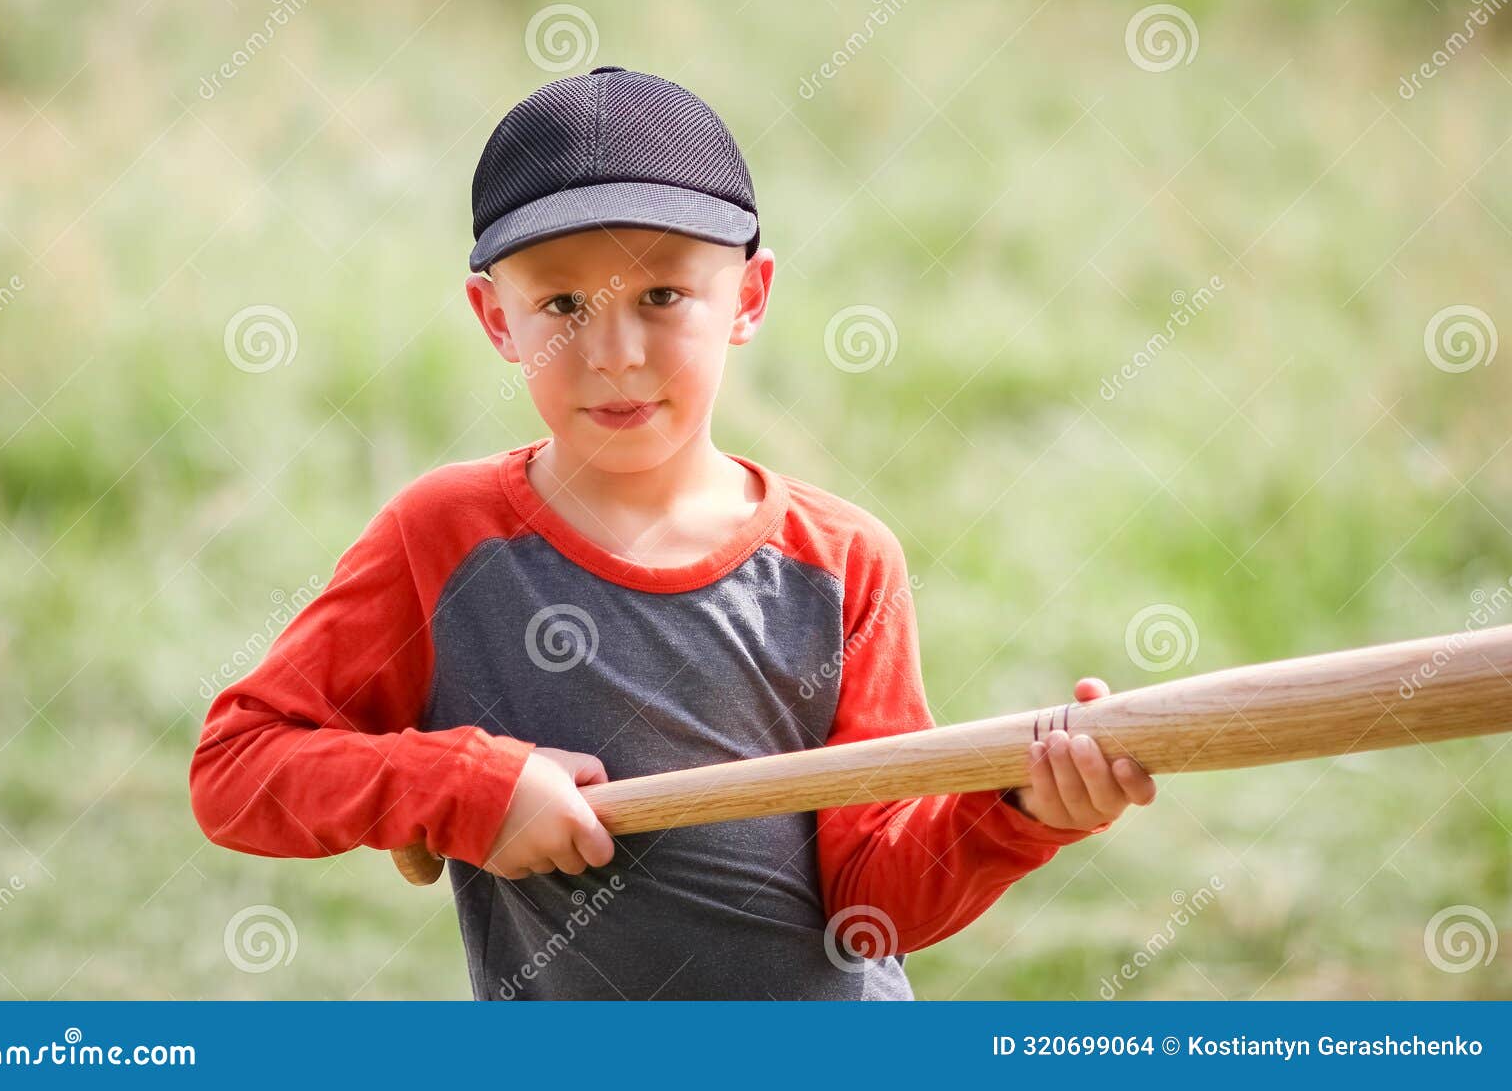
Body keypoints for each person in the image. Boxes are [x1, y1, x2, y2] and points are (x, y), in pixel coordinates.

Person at [188, 65, 1158, 1000]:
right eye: (562, 305)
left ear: (749, 296)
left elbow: (871, 898)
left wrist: (1019, 814)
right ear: (495, 318)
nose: (613, 354)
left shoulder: (840, 566)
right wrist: (466, 788)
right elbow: (237, 771)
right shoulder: (442, 541)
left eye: (662, 296)